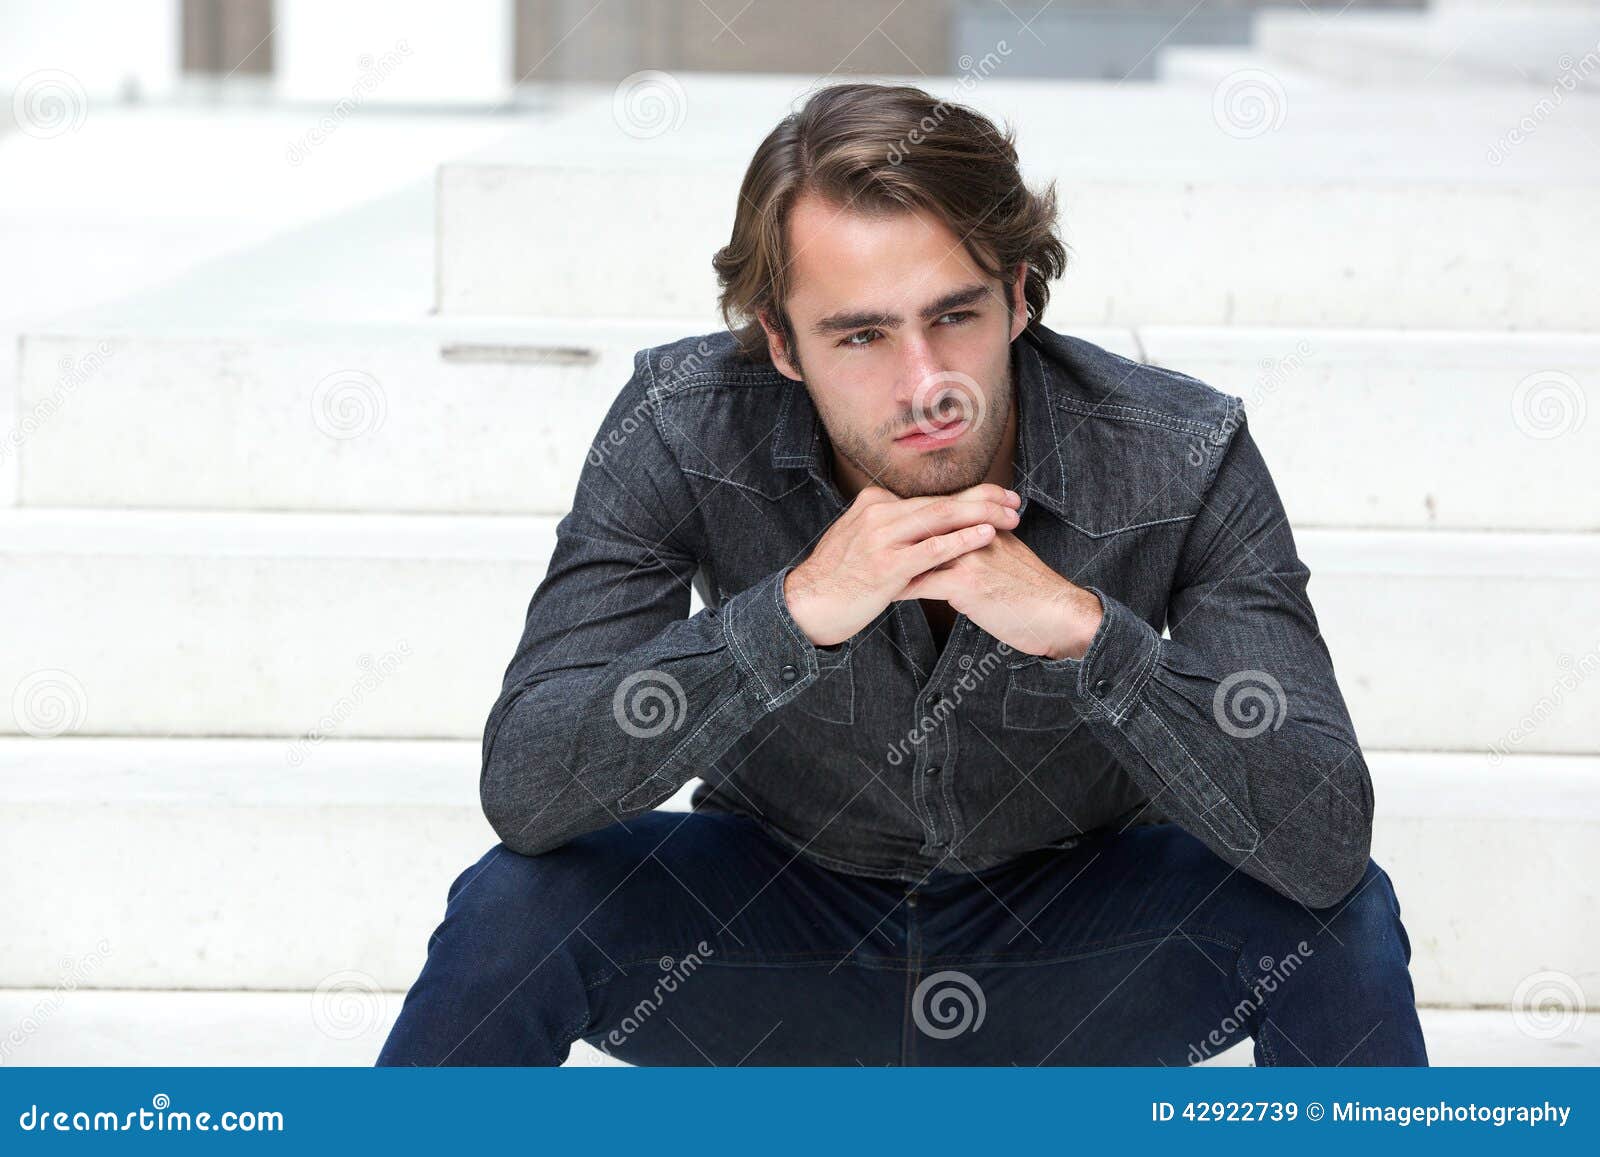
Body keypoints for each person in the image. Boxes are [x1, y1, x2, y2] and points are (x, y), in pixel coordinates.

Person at [377, 82, 1426, 1067]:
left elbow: (1323, 834)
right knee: (516, 905)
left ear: (1019, 296)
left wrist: (1083, 631)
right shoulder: (684, 425)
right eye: (862, 335)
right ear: (781, 344)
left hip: (1078, 954)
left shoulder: (1176, 453)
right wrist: (787, 616)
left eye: (954, 316)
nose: (925, 387)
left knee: (1334, 915)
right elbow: (526, 787)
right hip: (774, 944)